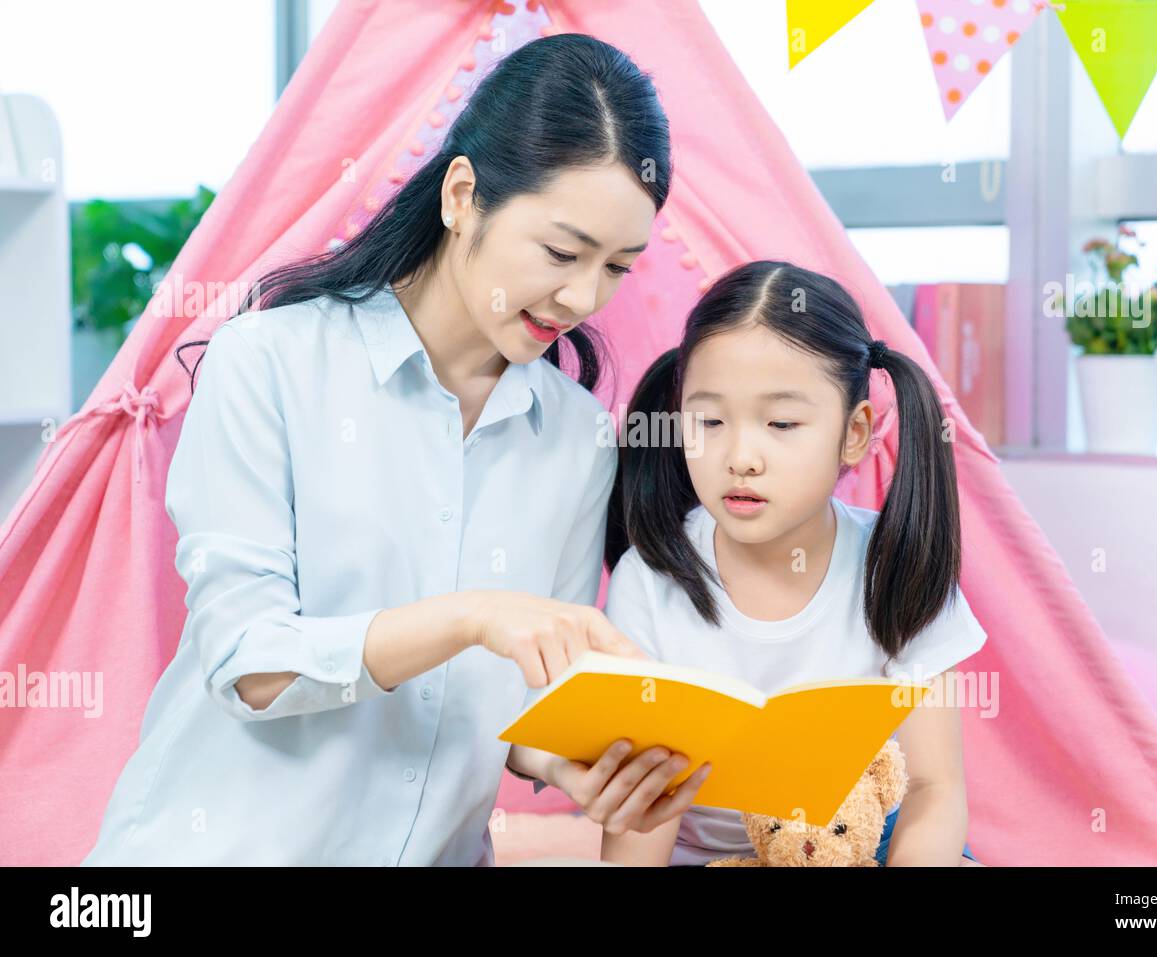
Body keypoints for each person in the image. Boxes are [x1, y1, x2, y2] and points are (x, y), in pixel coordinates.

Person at [81, 33, 708, 868]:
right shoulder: (269, 363)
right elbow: (250, 663)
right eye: (561, 252)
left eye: (616, 267)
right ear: (462, 195)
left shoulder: (575, 437)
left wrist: (576, 768)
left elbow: (516, 707)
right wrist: (474, 615)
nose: (581, 296)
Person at [597, 261, 988, 866]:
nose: (741, 457)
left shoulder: (898, 568)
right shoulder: (650, 582)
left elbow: (933, 789)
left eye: (781, 423)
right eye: (709, 421)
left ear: (854, 433)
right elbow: (643, 810)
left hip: (858, 849)